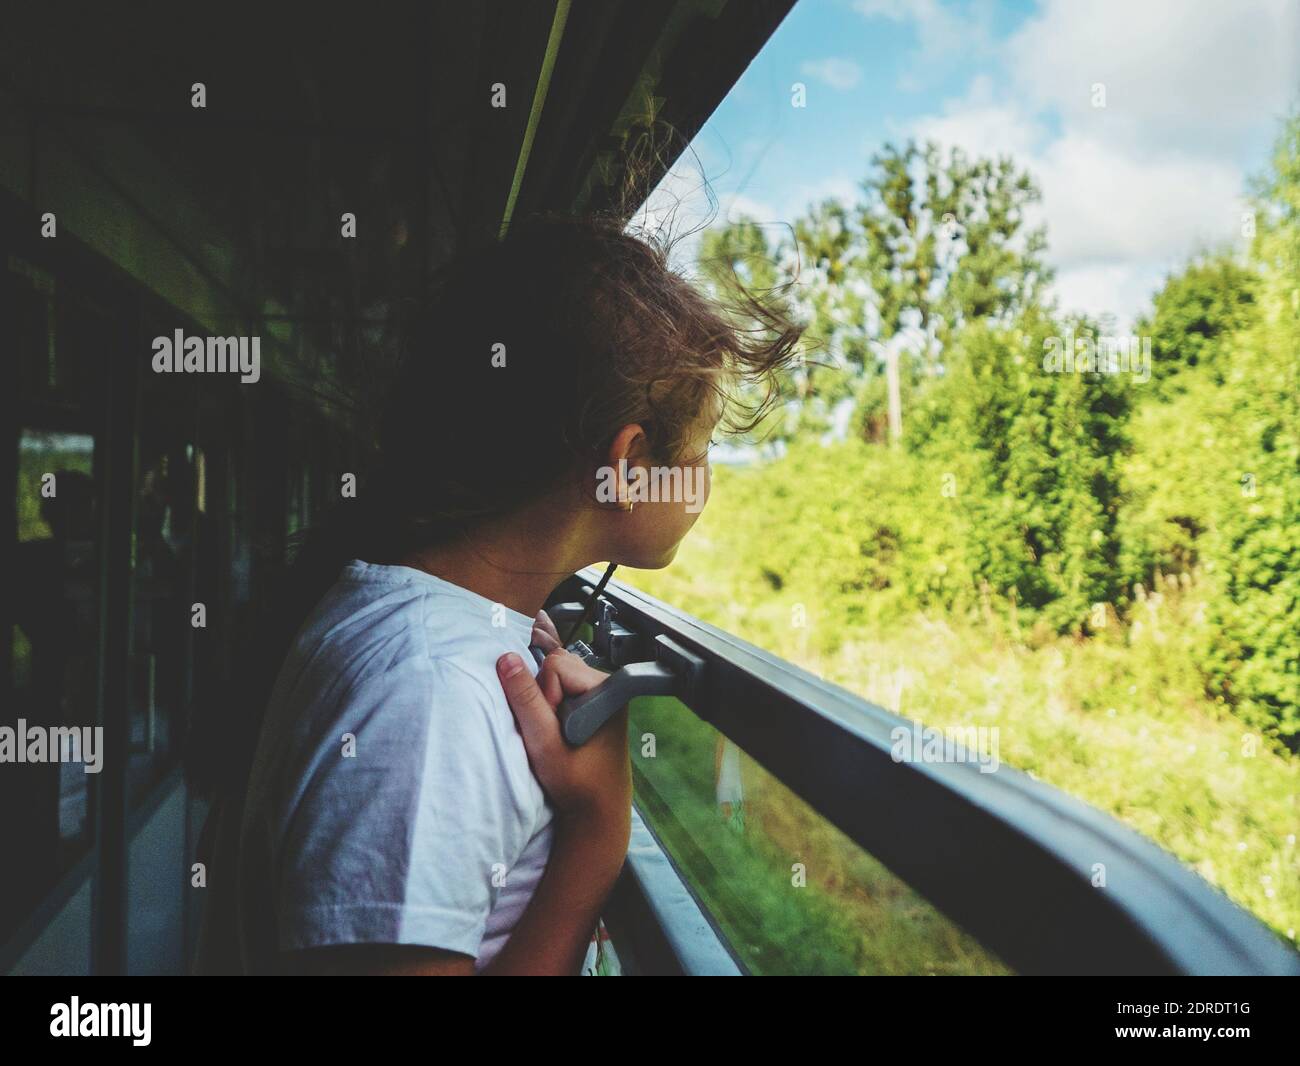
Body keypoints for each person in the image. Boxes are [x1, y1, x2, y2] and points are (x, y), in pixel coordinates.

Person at [190, 214, 800, 975]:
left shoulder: (439, 632)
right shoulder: (432, 697)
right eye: (704, 450)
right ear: (631, 464)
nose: (710, 478)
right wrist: (595, 839)